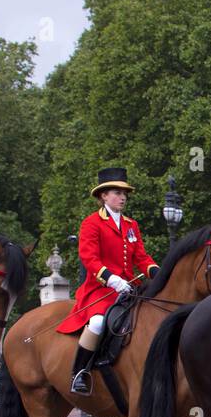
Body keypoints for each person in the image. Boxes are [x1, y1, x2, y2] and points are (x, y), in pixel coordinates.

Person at [55, 167, 159, 395]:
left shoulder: (131, 225)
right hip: (100, 289)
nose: (123, 197)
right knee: (98, 323)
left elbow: (141, 257)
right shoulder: (91, 223)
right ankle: (80, 372)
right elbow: (89, 258)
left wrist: (157, 272)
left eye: (125, 194)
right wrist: (112, 280)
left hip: (130, 288)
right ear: (103, 196)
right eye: (117, 192)